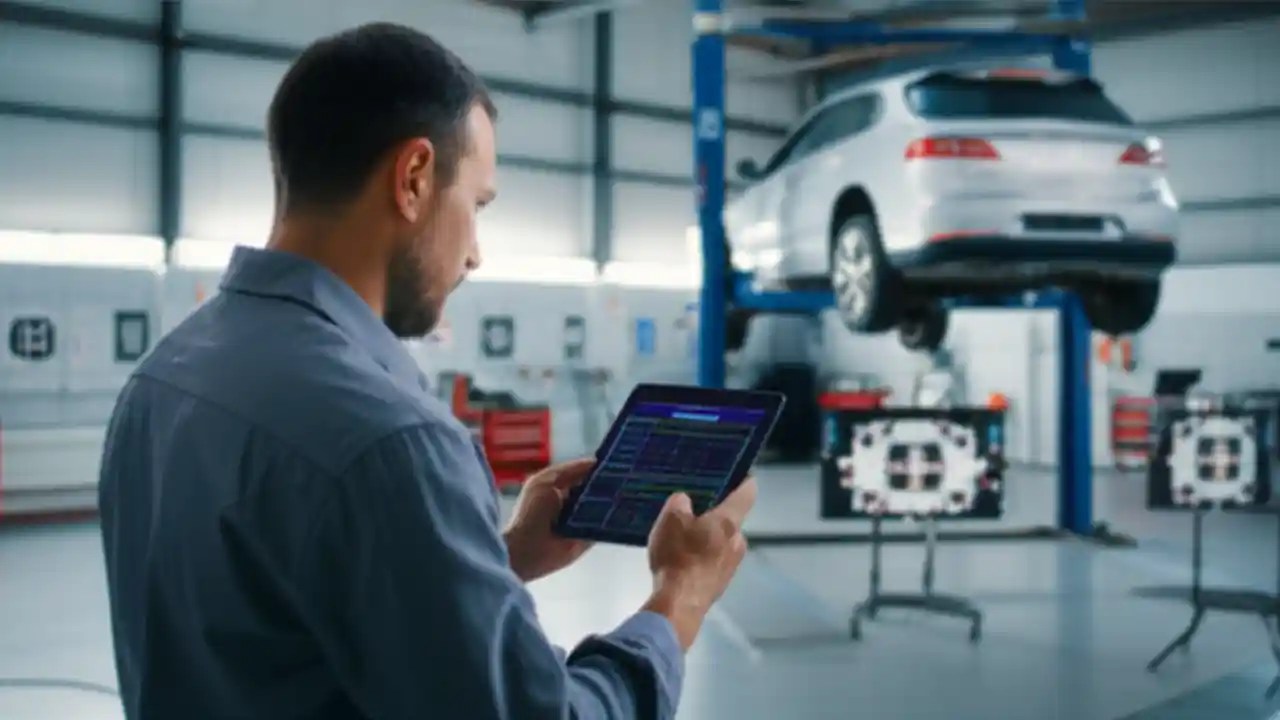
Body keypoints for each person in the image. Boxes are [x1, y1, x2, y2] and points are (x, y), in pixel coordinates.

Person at [97, 21, 757, 720]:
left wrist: (496, 559)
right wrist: (678, 595)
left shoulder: (159, 382)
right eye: (476, 206)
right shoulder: (394, 442)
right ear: (413, 179)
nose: (475, 255)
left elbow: (279, 626)